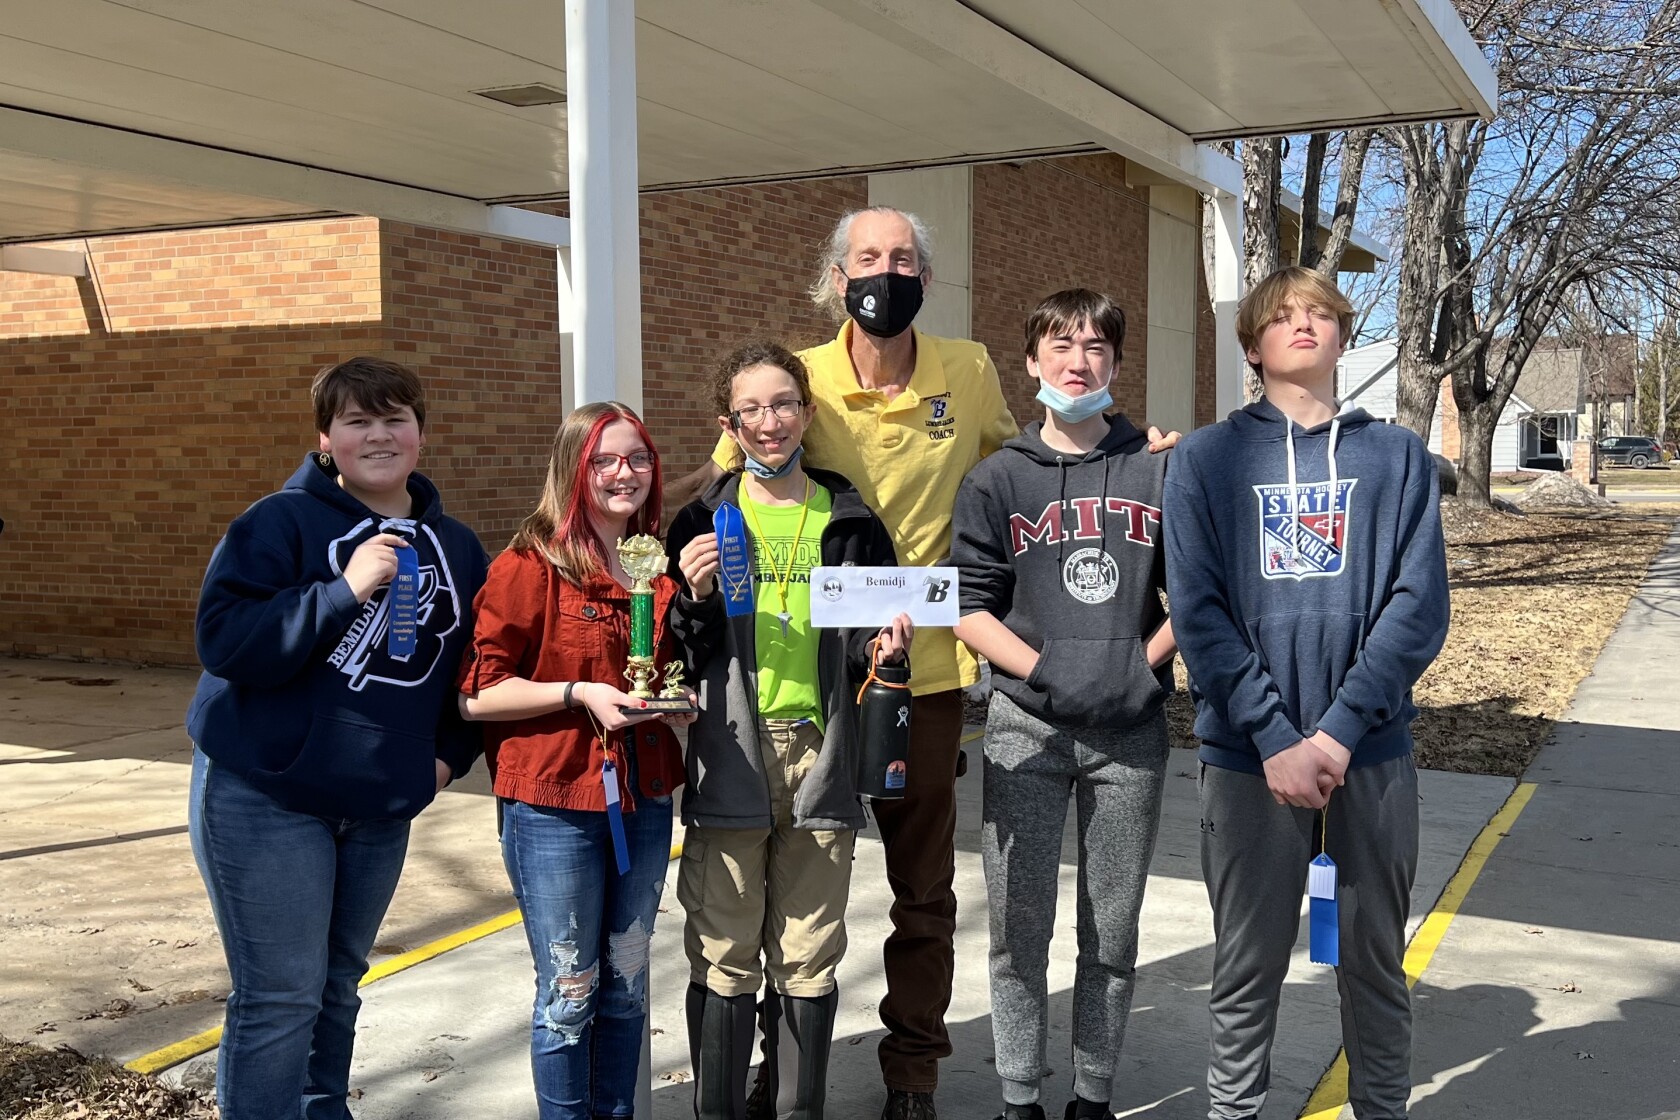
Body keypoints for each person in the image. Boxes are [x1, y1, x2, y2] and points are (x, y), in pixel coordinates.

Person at [666, 207, 1178, 1120]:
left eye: (902, 258)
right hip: (806, 673)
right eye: (868, 258)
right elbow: (717, 491)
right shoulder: (797, 379)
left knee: (924, 892)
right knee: (788, 879)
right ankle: (772, 1072)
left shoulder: (972, 367)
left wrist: (1142, 451)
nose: (884, 272)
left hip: (926, 671)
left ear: (926, 280)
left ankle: (913, 1072)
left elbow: (1036, 469)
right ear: (835, 277)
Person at [1162, 267, 1450, 1120]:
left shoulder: (1395, 455)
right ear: (1252, 346)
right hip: (1248, 760)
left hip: (1370, 756)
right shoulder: (1208, 459)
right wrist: (1275, 736)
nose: (1303, 325)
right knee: (1246, 968)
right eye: (1282, 316)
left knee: (1372, 963)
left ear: (1341, 337)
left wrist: (1334, 735)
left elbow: (1418, 606)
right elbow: (1199, 608)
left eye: (1320, 313)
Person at [185, 356, 488, 1120]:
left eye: (395, 419)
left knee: (337, 985)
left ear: (421, 433)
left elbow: (474, 670)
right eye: (358, 421)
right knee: (280, 995)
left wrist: (443, 765)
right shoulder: (276, 522)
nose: (379, 435)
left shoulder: (456, 545)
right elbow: (226, 643)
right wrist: (344, 589)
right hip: (267, 795)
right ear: (326, 439)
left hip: (378, 808)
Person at [666, 339, 911, 1120]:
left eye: (782, 405)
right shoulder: (702, 518)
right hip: (729, 747)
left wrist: (887, 645)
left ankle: (799, 1107)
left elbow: (876, 633)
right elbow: (670, 650)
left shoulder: (849, 519)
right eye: (751, 410)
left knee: (809, 950)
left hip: (820, 747)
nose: (769, 423)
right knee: (724, 948)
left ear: (806, 412)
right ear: (727, 425)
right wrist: (694, 597)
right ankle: (721, 1108)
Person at [950, 289, 1175, 1120]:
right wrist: (1044, 673)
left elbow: (1190, 597)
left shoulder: (1158, 467)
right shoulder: (997, 478)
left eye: (1096, 347)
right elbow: (971, 603)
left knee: (1110, 933)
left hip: (1131, 734)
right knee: (1019, 930)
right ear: (1033, 359)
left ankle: (1092, 1095)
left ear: (1116, 363)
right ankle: (1019, 1096)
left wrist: (1134, 670)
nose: (1078, 360)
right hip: (1024, 732)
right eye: (1061, 344)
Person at [458, 402, 698, 1120]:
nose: (626, 473)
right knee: (570, 991)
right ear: (574, 469)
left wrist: (674, 702)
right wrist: (577, 692)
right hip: (554, 805)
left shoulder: (652, 568)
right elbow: (476, 695)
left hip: (645, 800)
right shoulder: (528, 567)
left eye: (639, 459)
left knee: (626, 985)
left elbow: (664, 671)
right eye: (606, 460)